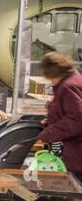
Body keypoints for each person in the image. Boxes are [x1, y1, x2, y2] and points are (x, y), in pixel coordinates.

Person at [36, 51, 82, 180]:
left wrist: (47, 134)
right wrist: (52, 120)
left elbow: (77, 119)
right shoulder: (74, 81)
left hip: (78, 154)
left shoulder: (68, 87)